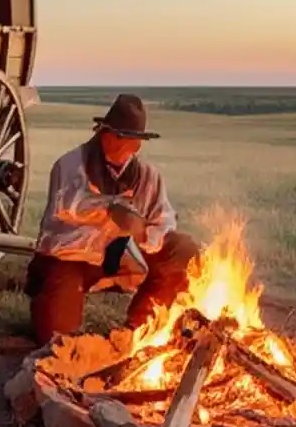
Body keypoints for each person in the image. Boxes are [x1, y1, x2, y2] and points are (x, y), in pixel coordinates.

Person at [24, 93, 202, 345]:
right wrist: (110, 210)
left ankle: (139, 330)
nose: (122, 146)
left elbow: (164, 219)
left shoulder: (147, 176)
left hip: (121, 259)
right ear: (102, 133)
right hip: (71, 259)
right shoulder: (71, 165)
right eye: (117, 137)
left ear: (138, 144)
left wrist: (145, 235)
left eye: (130, 141)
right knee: (55, 339)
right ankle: (51, 308)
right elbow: (66, 205)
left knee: (182, 248)